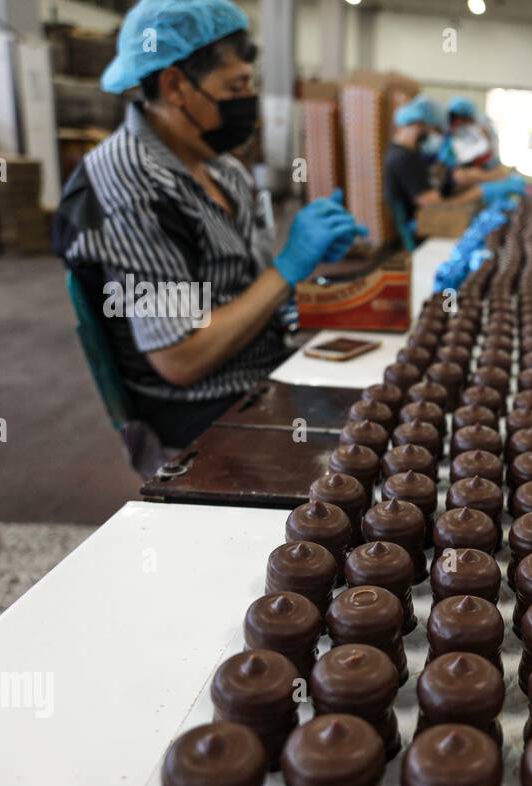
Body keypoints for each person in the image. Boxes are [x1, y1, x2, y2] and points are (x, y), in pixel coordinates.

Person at [52, 0, 366, 450]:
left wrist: (310, 277)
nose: (248, 103)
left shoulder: (224, 171)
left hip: (264, 371)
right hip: (200, 411)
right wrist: (287, 269)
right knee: (366, 460)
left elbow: (251, 293)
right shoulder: (131, 187)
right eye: (235, 85)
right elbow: (181, 356)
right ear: (176, 85)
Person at [386, 95, 520, 239]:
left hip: (426, 216)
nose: (436, 134)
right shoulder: (403, 158)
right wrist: (479, 192)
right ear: (419, 124)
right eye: (434, 129)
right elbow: (432, 205)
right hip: (419, 226)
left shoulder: (410, 154)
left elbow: (437, 186)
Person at [439, 95, 505, 188]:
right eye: (456, 120)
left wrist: (481, 176)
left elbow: (499, 173)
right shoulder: (450, 139)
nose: (459, 124)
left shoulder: (483, 139)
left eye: (464, 120)